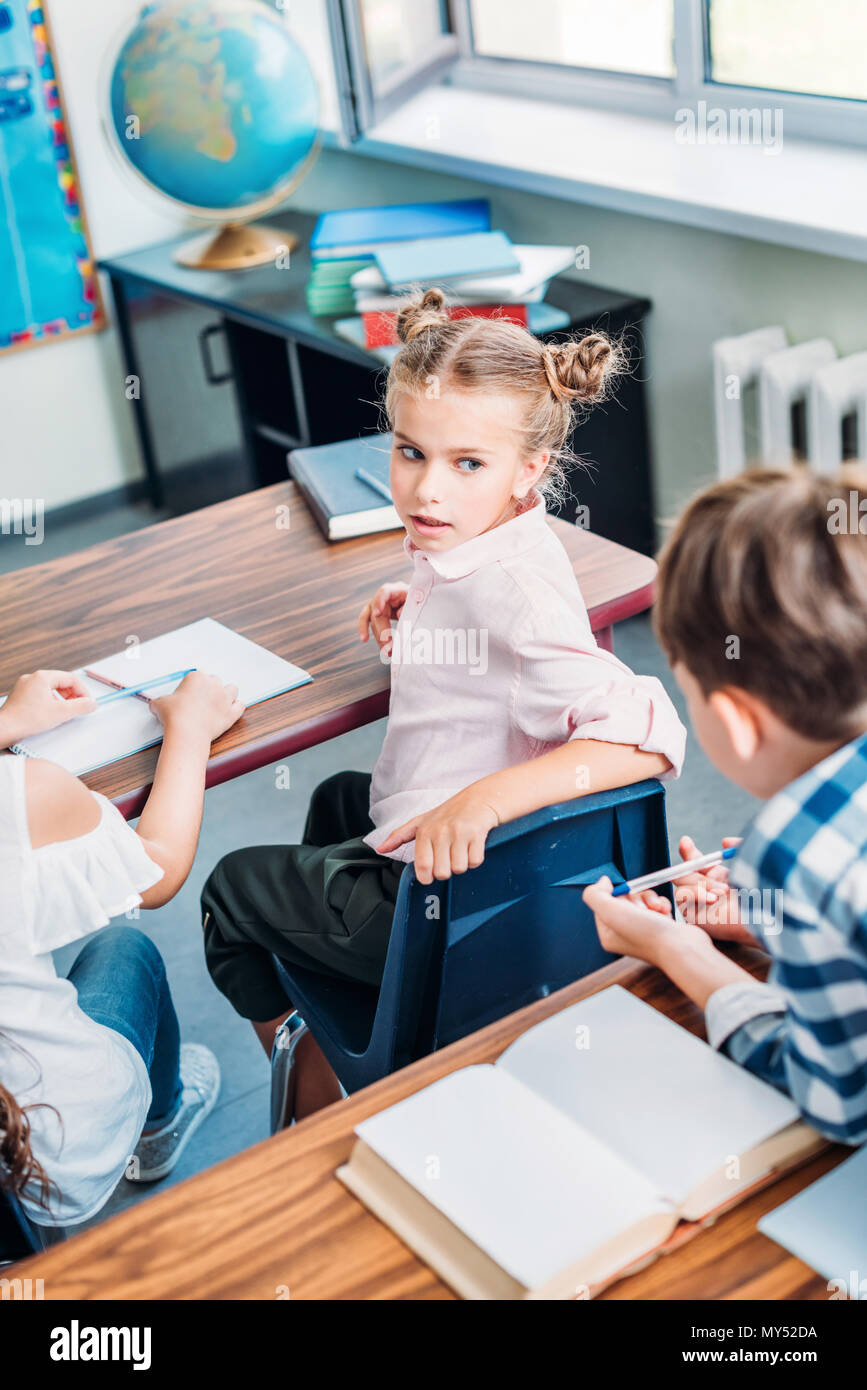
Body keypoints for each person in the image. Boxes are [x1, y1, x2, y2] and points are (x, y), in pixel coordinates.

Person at [202, 288, 686, 1122]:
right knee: (334, 800)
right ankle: (351, 1027)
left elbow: (647, 736)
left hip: (453, 896)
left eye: (466, 463)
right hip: (450, 856)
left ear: (527, 468)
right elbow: (487, 625)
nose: (427, 490)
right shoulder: (479, 534)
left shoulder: (513, 597)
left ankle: (311, 1117)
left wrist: (483, 799)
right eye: (408, 452)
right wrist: (415, 606)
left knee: (229, 891)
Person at [584, 466, 867, 1144]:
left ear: (735, 722)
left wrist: (681, 951)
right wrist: (780, 922)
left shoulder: (794, 851)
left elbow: (837, 1106)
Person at [0, 667, 244, 1229]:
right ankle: (157, 1127)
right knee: (125, 949)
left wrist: (10, 722)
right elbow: (156, 871)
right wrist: (190, 729)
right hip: (56, 1147)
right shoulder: (29, 790)